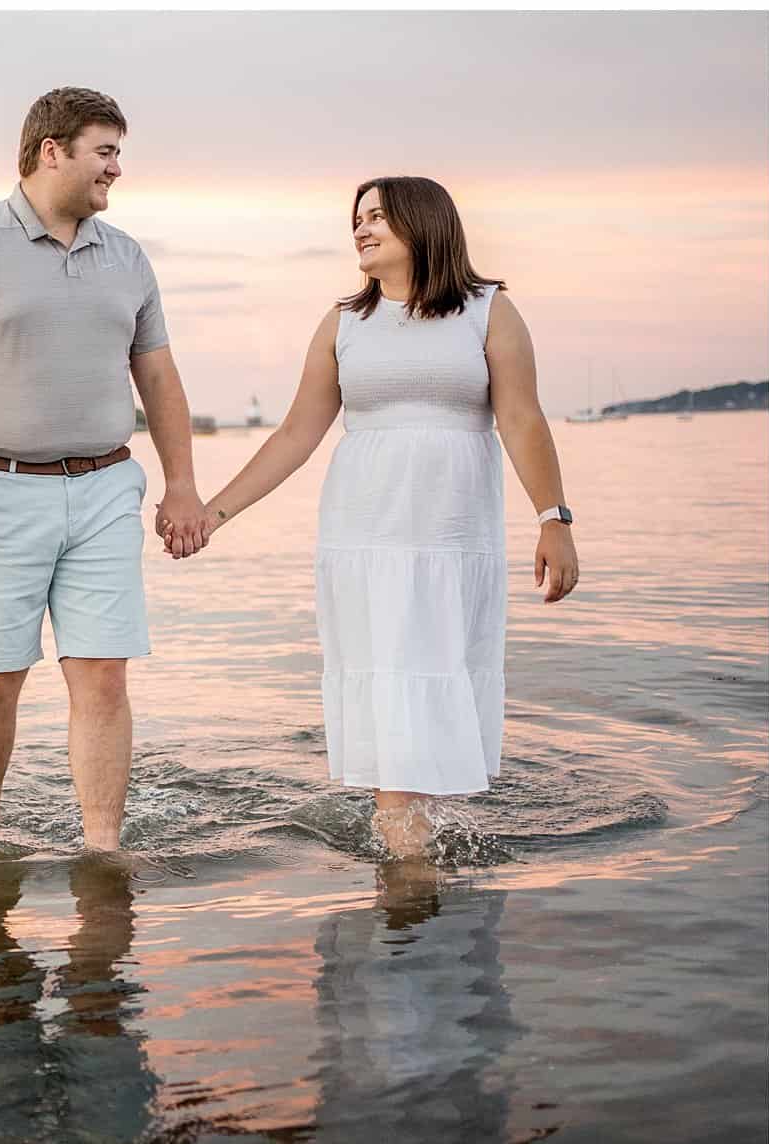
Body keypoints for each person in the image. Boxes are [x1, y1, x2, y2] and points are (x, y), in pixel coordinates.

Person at [189, 176, 579, 858]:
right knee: (391, 677)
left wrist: (554, 518)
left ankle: (410, 851)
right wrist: (214, 512)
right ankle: (409, 864)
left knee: (430, 676)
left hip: (450, 537)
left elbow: (522, 418)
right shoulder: (344, 322)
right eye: (358, 219)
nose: (361, 229)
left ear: (422, 223)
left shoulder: (488, 310)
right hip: (365, 535)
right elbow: (295, 435)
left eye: (377, 217)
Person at [0, 86, 210, 853]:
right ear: (52, 150)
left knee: (103, 673)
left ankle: (102, 848)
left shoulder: (128, 257)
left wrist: (181, 485)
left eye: (117, 154)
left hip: (106, 489)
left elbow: (159, 378)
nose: (116, 169)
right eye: (105, 152)